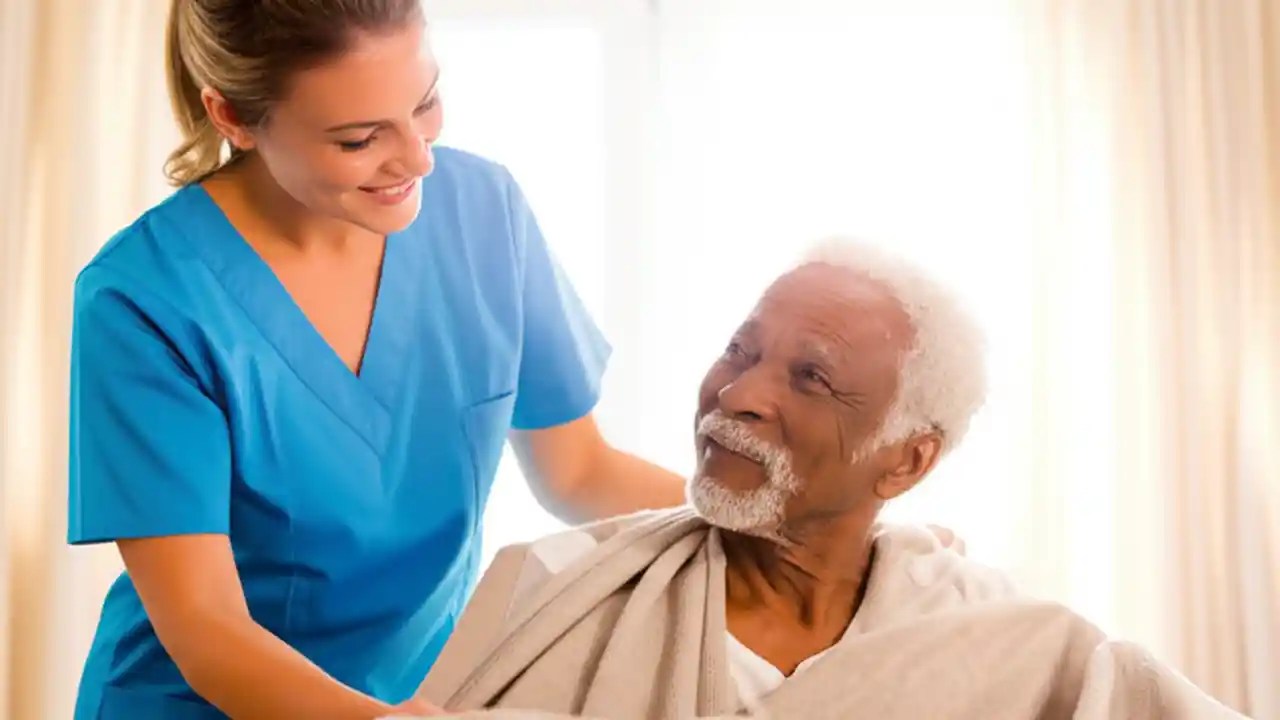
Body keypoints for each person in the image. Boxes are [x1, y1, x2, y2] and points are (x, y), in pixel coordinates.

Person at [66, 1, 685, 718]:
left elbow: (579, 471)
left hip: (417, 699)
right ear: (232, 115)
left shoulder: (485, 214)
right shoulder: (147, 299)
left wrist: (781, 528)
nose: (418, 158)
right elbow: (208, 632)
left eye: (425, 103)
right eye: (360, 139)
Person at [411, 238, 1248, 720]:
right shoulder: (553, 593)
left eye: (809, 378)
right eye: (740, 350)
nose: (738, 396)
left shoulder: (1009, 644)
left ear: (909, 458)